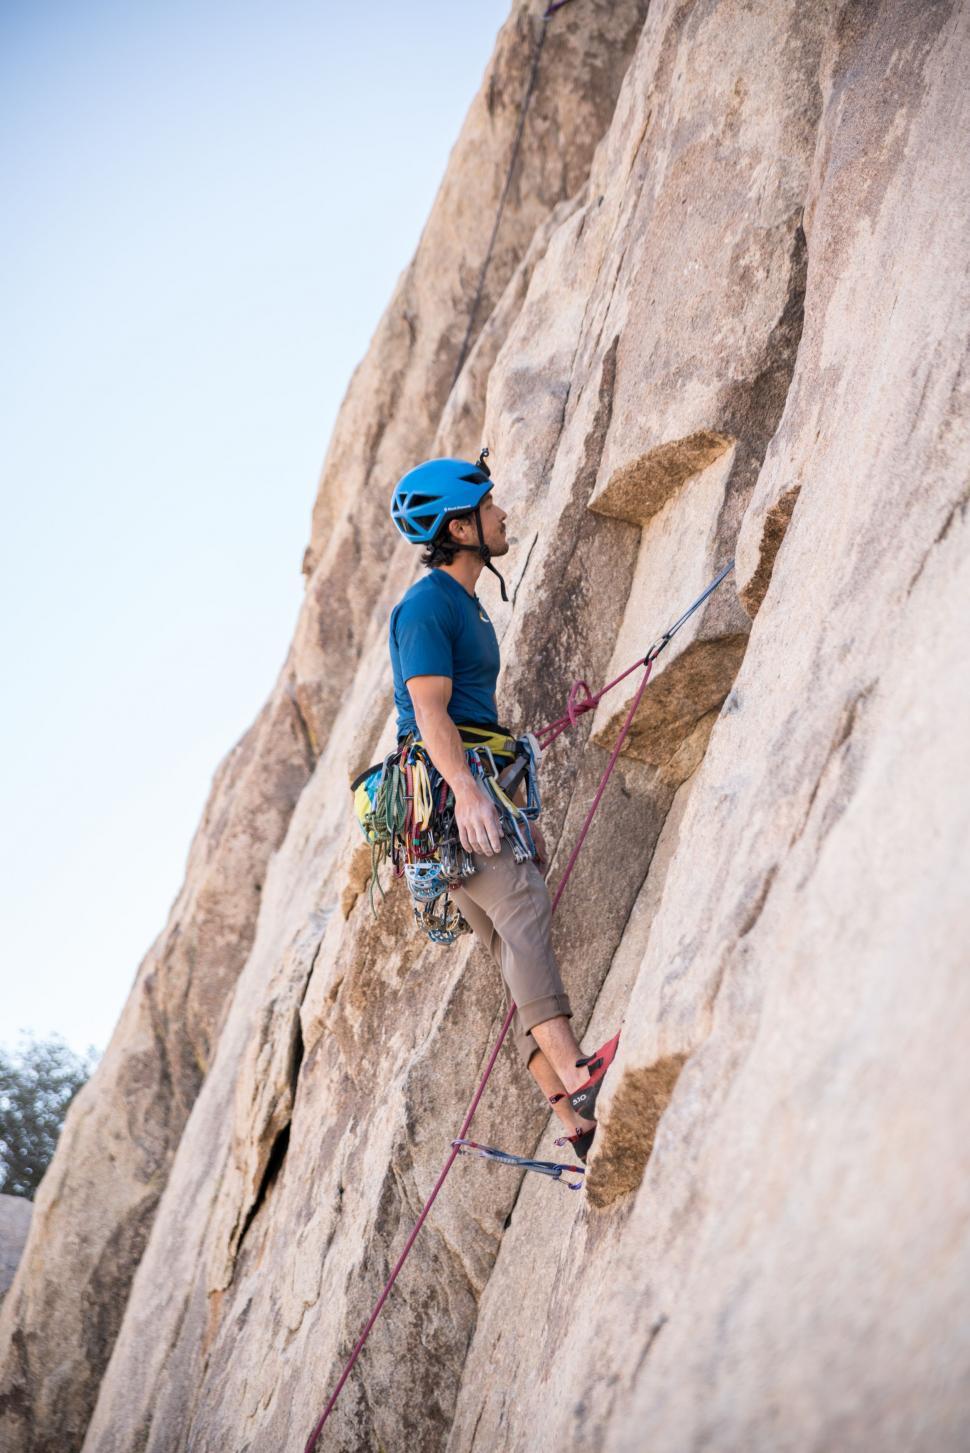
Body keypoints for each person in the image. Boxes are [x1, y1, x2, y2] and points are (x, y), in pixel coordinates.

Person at [388, 453, 620, 1161]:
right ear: (460, 527)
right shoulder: (428, 603)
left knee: (506, 941)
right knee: (521, 915)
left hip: (466, 787)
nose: (504, 512)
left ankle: (574, 1122)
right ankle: (580, 1079)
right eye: (490, 505)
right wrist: (467, 793)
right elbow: (429, 710)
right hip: (450, 790)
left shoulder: (462, 604)